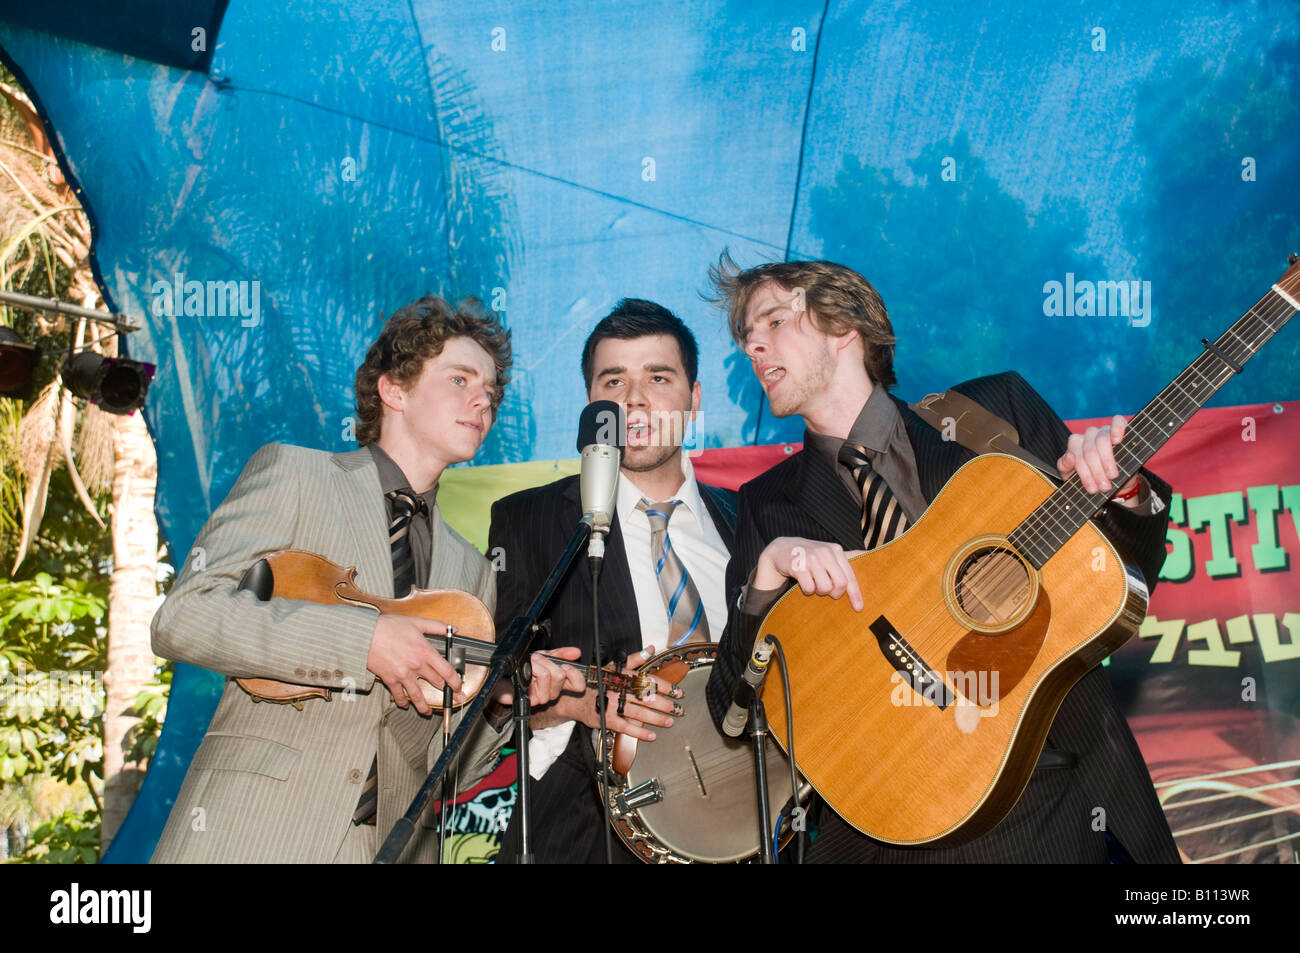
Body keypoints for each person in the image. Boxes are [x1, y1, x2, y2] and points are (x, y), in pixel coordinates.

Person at [703, 256, 1180, 863]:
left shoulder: (992, 416)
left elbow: (1120, 580)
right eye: (746, 337)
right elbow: (735, 714)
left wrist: (1127, 495)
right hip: (887, 837)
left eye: (771, 321)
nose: (753, 345)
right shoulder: (766, 508)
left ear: (844, 324)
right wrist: (767, 577)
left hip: (1055, 801)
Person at [150, 295, 585, 864]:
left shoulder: (473, 572)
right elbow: (182, 618)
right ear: (394, 390)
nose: (484, 399)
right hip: (247, 830)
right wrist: (365, 641)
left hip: (384, 847)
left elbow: (442, 761)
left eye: (492, 392)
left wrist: (504, 702)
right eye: (460, 379)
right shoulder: (294, 473)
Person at [490, 299, 737, 863]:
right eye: (614, 380)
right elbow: (496, 692)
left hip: (743, 830)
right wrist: (575, 703)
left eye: (658, 377)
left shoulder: (752, 522)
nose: (635, 398)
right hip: (583, 837)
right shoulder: (530, 521)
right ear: (591, 404)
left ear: (693, 399)